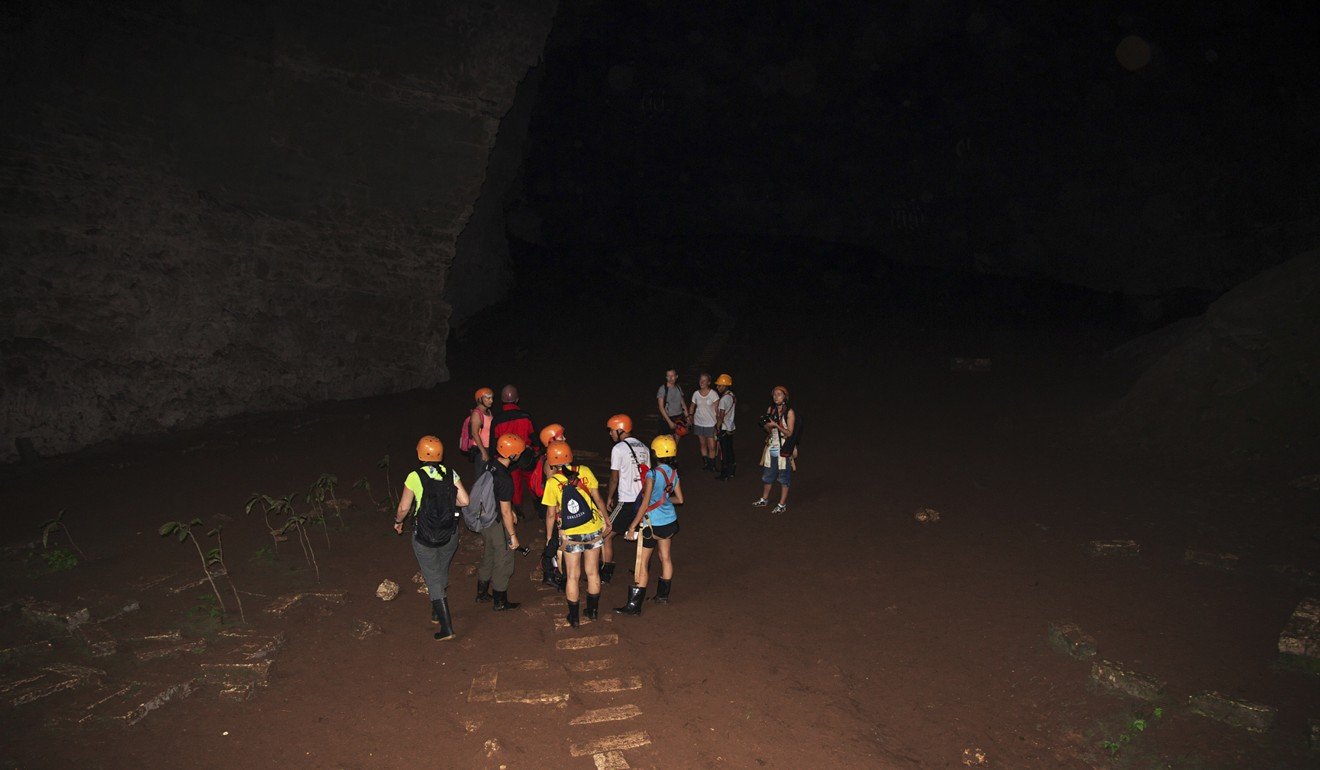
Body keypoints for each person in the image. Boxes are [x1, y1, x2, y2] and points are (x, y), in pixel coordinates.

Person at [394, 436, 470, 641]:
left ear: (420, 454)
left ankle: (447, 628)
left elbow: (403, 507)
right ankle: (437, 611)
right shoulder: (450, 473)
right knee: (441, 568)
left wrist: (398, 521)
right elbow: (464, 500)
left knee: (432, 576)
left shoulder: (414, 477)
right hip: (449, 533)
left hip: (425, 535)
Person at [540, 442, 610, 627]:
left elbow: (550, 514)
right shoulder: (585, 471)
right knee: (593, 571)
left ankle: (574, 617)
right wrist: (606, 520)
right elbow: (598, 498)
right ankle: (593, 611)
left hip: (570, 533)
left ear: (551, 462)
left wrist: (549, 538)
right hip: (592, 528)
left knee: (572, 575)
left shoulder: (552, 483)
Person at [616, 434, 683, 615]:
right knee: (665, 558)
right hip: (670, 521)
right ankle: (662, 596)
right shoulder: (674, 472)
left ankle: (634, 606)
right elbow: (680, 499)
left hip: (652, 524)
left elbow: (645, 503)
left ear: (655, 453)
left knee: (642, 562)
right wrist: (664, 499)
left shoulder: (653, 473)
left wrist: (632, 527)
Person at [474, 433, 526, 611]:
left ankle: (481, 593)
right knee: (504, 558)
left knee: (489, 553)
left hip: (484, 518)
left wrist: (510, 509)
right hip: (496, 521)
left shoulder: (490, 465)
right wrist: (512, 536)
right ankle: (500, 601)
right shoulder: (505, 478)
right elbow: (503, 510)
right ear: (512, 455)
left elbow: (497, 496)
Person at [603, 414, 650, 586]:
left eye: (611, 430)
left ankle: (605, 574)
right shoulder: (644, 447)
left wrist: (609, 496)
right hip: (643, 500)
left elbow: (614, 478)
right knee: (644, 537)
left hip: (627, 500)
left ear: (620, 429)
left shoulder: (619, 449)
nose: (610, 434)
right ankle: (642, 569)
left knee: (606, 535)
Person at [488, 385, 535, 516]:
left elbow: (494, 442)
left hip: (508, 456)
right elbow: (533, 435)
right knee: (531, 480)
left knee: (514, 483)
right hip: (525, 454)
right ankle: (538, 505)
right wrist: (536, 450)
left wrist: (494, 458)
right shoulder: (526, 416)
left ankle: (519, 510)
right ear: (517, 399)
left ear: (502, 400)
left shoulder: (497, 420)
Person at [532, 423, 567, 590]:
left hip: (552, 504)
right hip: (551, 506)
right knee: (552, 539)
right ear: (551, 440)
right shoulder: (550, 462)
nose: (565, 438)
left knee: (556, 538)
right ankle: (548, 572)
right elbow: (553, 488)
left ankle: (553, 569)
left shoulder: (554, 456)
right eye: (561, 436)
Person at [753, 385, 796, 514]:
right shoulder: (771, 410)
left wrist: (776, 424)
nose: (776, 397)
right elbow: (768, 430)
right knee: (768, 474)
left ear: (785, 397)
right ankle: (764, 499)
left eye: (779, 394)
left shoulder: (789, 412)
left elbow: (790, 433)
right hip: (772, 445)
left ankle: (782, 504)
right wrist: (767, 424)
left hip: (784, 446)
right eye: (774, 395)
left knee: (784, 476)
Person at [689, 372, 721, 471]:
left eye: (704, 380)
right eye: (700, 380)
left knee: (712, 446)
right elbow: (692, 406)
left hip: (711, 424)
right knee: (702, 444)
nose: (701, 382)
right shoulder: (696, 394)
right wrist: (690, 416)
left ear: (709, 382)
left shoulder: (713, 394)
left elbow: (718, 409)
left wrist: (719, 422)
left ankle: (713, 465)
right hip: (699, 423)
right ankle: (706, 464)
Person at [714, 374, 737, 480]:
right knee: (730, 450)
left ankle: (724, 474)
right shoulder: (732, 395)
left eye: (719, 385)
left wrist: (717, 428)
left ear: (725, 386)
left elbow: (721, 416)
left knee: (723, 452)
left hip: (724, 428)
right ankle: (732, 471)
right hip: (731, 427)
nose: (717, 387)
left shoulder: (723, 400)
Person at [655, 369, 687, 441]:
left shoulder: (678, 388)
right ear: (666, 377)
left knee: (677, 440)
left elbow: (682, 403)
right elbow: (661, 407)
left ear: (676, 376)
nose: (670, 378)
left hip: (679, 417)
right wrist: (669, 422)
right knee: (669, 441)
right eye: (668, 376)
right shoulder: (663, 389)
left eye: (672, 376)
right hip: (668, 418)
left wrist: (687, 416)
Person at [467, 387, 494, 468]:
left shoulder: (488, 411)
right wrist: (483, 452)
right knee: (481, 476)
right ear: (479, 399)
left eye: (492, 398)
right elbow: (474, 433)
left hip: (489, 447)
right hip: (480, 449)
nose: (491, 400)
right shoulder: (476, 414)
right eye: (488, 398)